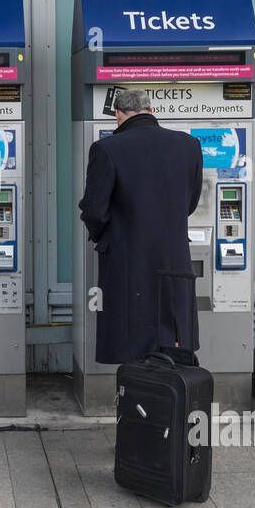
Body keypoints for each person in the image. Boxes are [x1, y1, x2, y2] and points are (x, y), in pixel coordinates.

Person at [78, 89, 204, 364]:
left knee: (131, 338)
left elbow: (93, 210)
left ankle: (136, 396)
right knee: (171, 340)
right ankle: (166, 398)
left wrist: (107, 237)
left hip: (128, 259)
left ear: (119, 115)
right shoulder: (189, 145)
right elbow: (190, 203)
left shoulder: (107, 148)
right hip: (174, 261)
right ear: (150, 110)